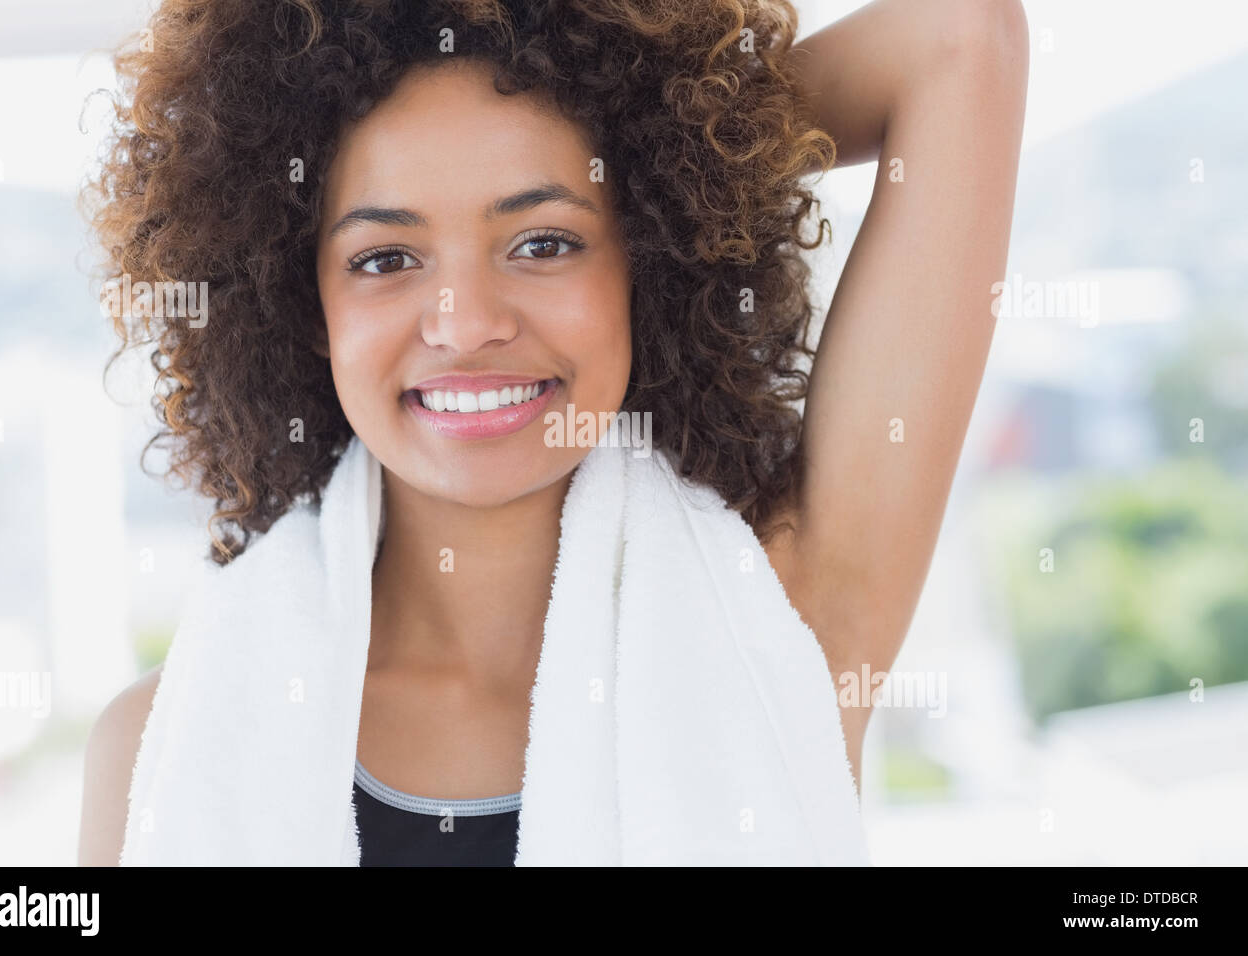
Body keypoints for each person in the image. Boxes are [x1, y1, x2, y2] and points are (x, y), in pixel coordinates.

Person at [77, 0, 1029, 865]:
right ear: (298, 302)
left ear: (649, 258)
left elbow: (958, 39)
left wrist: (688, 146)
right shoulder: (156, 748)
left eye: (544, 242)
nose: (466, 321)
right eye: (386, 256)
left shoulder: (785, 616)